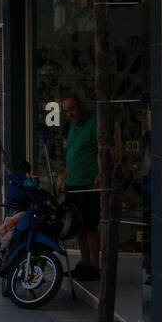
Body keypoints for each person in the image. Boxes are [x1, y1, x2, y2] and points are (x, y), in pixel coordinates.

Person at [60, 94, 101, 281]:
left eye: (72, 109)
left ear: (81, 106)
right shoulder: (72, 126)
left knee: (90, 226)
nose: (70, 114)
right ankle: (84, 263)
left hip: (87, 183)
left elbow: (105, 150)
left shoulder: (94, 123)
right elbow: (72, 153)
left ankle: (94, 265)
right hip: (73, 183)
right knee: (79, 228)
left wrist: (101, 175)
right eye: (66, 111)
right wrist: (64, 178)